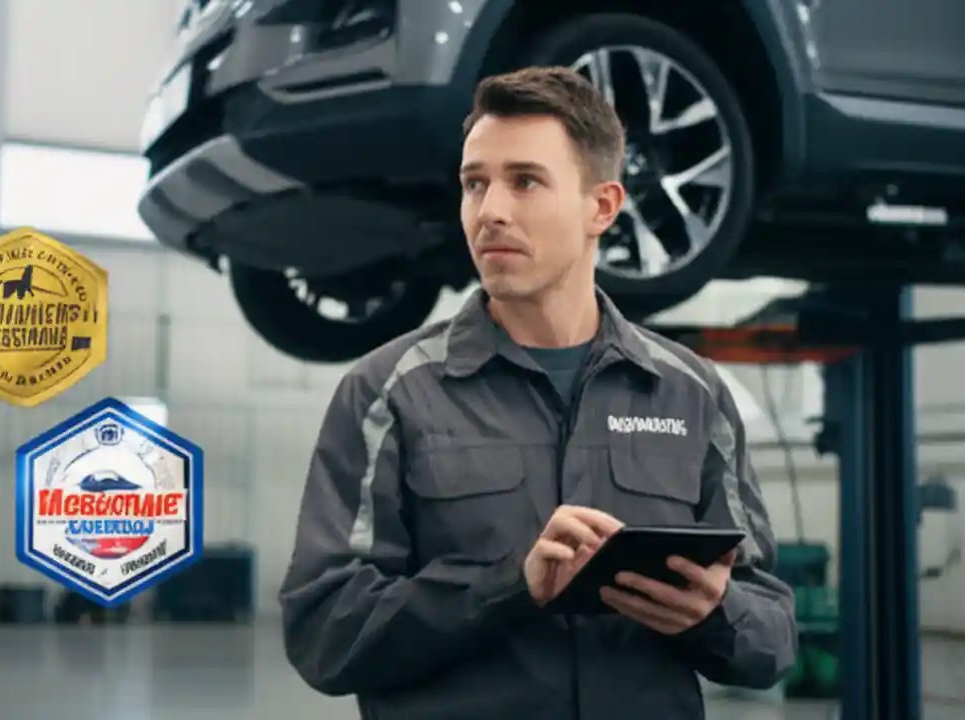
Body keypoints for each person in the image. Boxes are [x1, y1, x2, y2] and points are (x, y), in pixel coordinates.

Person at [278, 66, 797, 719]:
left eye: (524, 181)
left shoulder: (690, 393)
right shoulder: (389, 394)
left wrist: (712, 614)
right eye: (475, 184)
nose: (490, 210)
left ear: (601, 207)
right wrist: (509, 587)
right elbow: (323, 631)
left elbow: (772, 638)